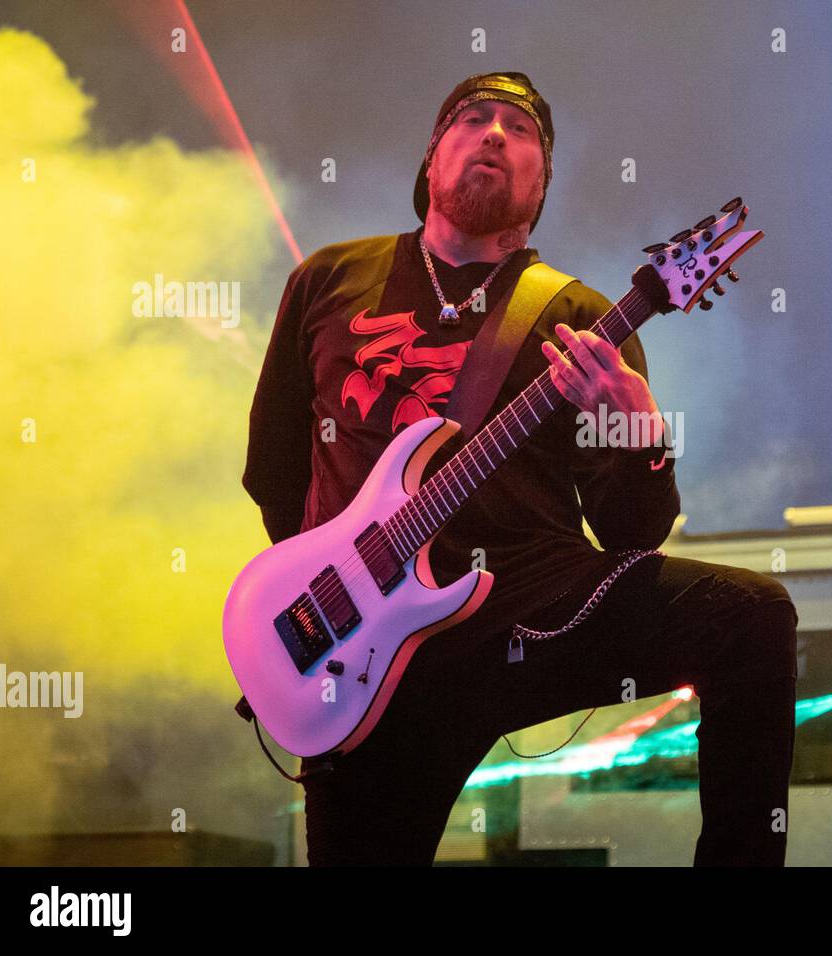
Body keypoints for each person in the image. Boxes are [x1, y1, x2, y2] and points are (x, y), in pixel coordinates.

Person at [241, 71, 799, 866]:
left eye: (522, 129)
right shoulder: (327, 281)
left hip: (528, 608)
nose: (496, 133)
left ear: (539, 188)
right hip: (368, 653)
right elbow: (274, 470)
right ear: (432, 160)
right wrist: (336, 595)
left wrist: (640, 432)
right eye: (473, 118)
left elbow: (629, 534)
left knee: (748, 614)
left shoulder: (578, 318)